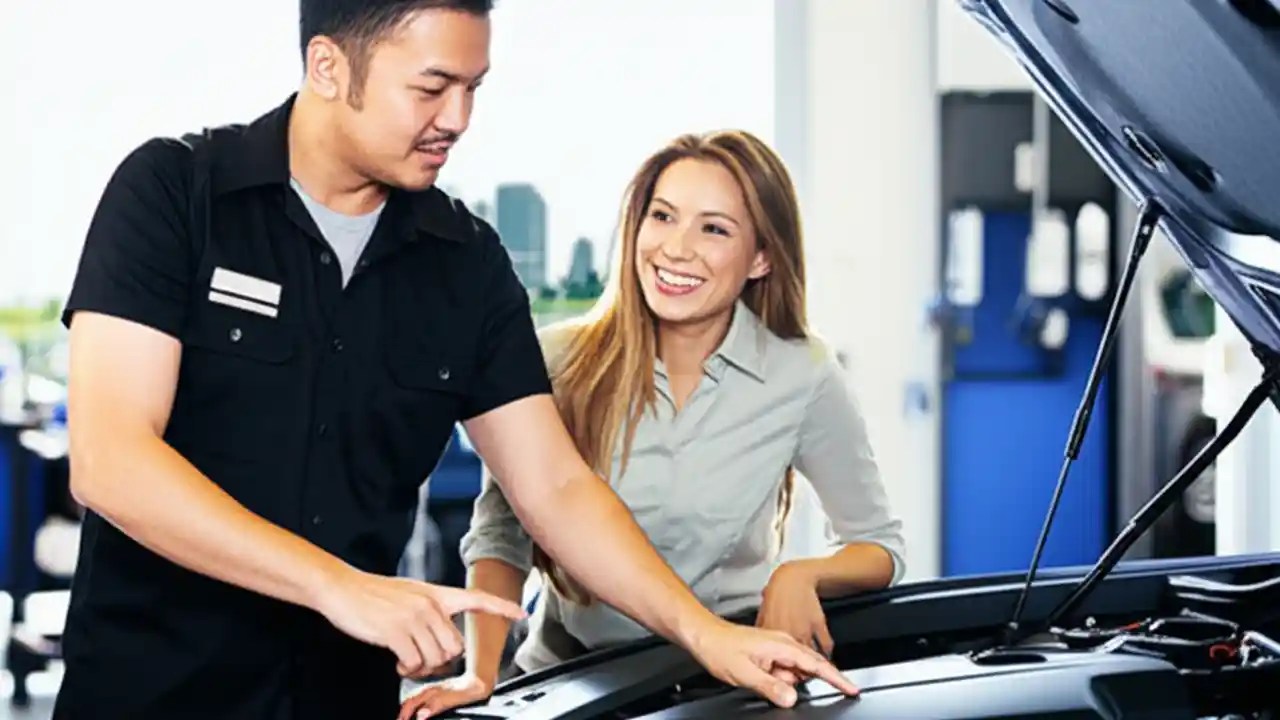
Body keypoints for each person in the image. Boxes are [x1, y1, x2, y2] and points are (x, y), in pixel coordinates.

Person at [53, 1, 857, 718]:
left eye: (475, 88)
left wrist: (707, 634)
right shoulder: (174, 196)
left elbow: (556, 488)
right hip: (147, 691)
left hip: (342, 700)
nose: (459, 117)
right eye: (432, 88)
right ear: (328, 66)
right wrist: (339, 586)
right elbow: (111, 459)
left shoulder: (465, 265)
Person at [399, 130, 906, 719]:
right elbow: (501, 533)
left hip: (723, 688)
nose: (676, 249)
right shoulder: (557, 360)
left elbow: (880, 547)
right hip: (572, 683)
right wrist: (480, 673)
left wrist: (802, 577)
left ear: (761, 257)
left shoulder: (804, 375)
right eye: (662, 216)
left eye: (713, 228)